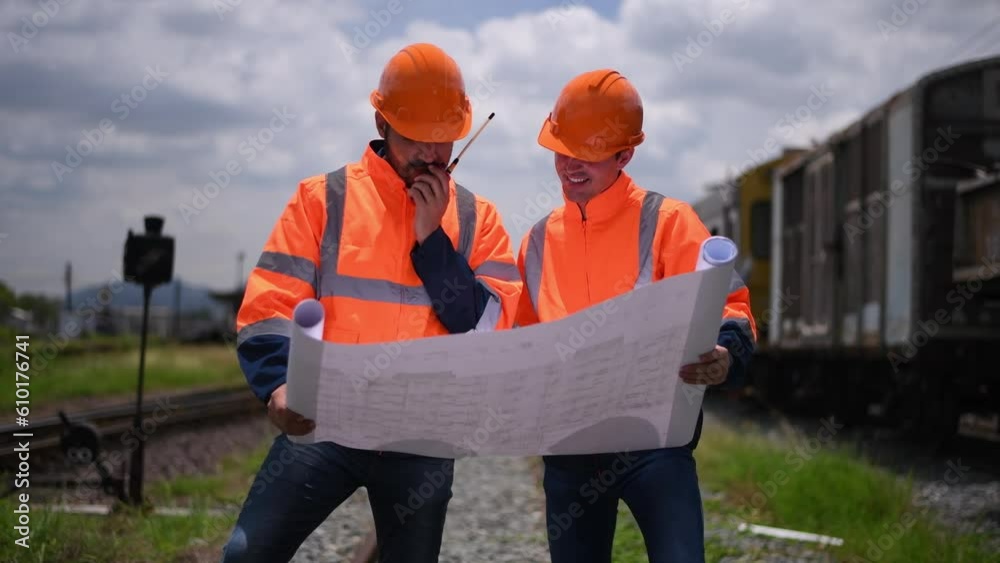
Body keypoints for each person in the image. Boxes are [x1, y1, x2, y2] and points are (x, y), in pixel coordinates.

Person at [220, 43, 521, 563]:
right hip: (325, 426)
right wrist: (278, 386)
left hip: (423, 438)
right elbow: (270, 304)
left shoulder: (476, 219)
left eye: (443, 142)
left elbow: (490, 330)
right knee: (247, 555)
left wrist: (434, 243)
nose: (431, 156)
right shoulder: (323, 199)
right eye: (415, 141)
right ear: (382, 124)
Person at [514, 69, 757, 563]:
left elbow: (731, 309)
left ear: (625, 154)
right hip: (570, 450)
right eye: (562, 149)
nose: (569, 165)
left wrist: (726, 355)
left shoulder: (669, 222)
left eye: (587, 154)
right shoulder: (537, 241)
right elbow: (519, 339)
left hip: (656, 447)